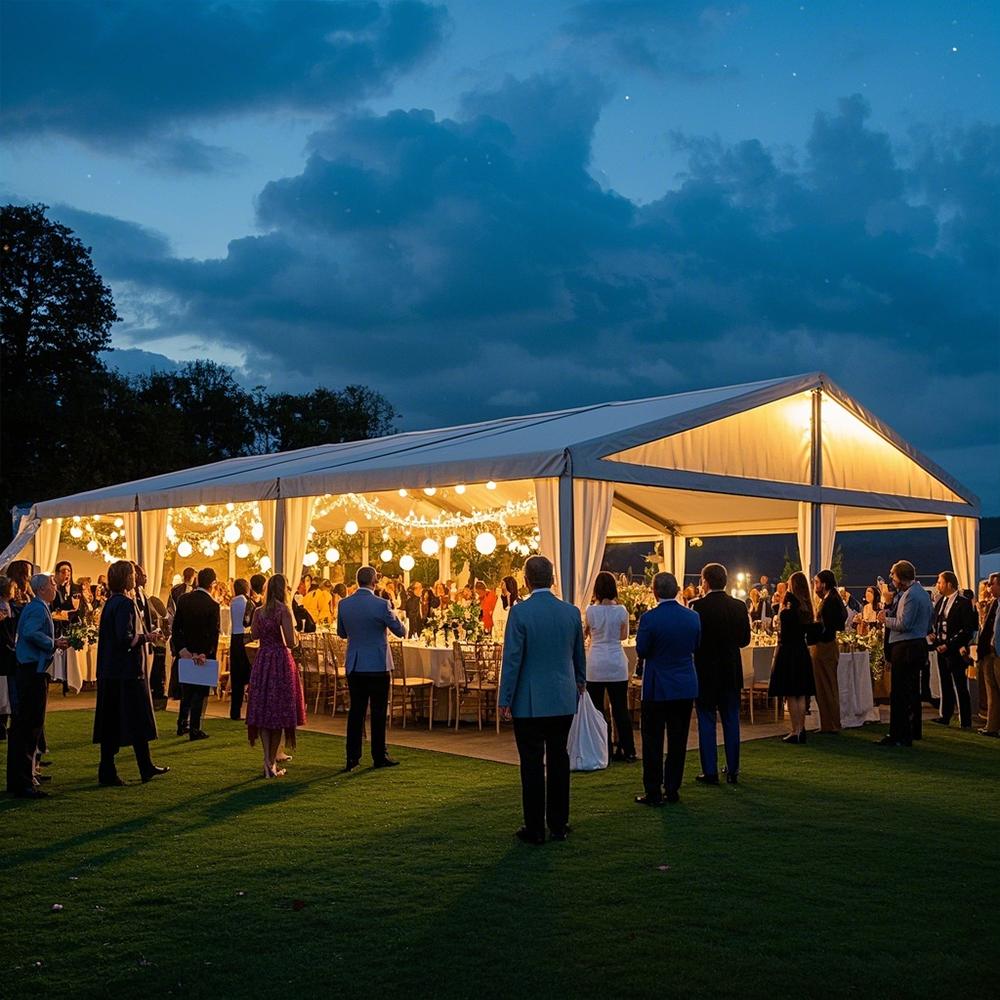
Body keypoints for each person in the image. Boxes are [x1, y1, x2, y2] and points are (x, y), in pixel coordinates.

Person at [498, 555, 586, 844]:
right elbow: (579, 653)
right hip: (562, 696)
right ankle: (559, 824)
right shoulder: (570, 612)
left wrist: (505, 697)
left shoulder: (520, 613)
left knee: (532, 763)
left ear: (526, 581)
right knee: (559, 758)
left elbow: (512, 659)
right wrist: (580, 681)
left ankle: (535, 827)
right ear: (552, 579)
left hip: (529, 700)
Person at [93, 561, 169, 786]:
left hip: (111, 671)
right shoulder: (125, 603)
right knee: (135, 719)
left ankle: (138, 766)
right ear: (127, 578)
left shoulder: (111, 602)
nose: (136, 578)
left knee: (115, 721)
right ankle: (129, 767)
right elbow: (125, 638)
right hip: (126, 673)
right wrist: (147, 637)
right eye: (133, 574)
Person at [633, 572, 700, 806]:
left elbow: (642, 650)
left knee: (652, 740)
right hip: (684, 684)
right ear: (678, 590)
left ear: (654, 591)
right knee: (678, 739)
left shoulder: (650, 618)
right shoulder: (693, 617)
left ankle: (653, 790)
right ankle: (672, 788)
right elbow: (696, 645)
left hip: (657, 685)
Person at [337, 566, 406, 770]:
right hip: (377, 664)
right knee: (378, 712)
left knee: (356, 712)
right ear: (374, 582)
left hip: (355, 663)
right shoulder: (382, 604)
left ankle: (352, 756)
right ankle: (378, 755)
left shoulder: (344, 604)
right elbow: (401, 631)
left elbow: (341, 633)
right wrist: (393, 613)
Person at [6, 573, 67, 798]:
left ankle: (21, 778)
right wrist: (53, 642)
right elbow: (30, 633)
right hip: (31, 671)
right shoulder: (37, 608)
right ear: (41, 589)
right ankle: (23, 781)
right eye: (51, 584)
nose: (55, 587)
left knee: (26, 726)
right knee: (29, 725)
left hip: (30, 669)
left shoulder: (38, 607)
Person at [691, 563, 751, 785]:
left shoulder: (697, 606)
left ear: (705, 582)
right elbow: (744, 640)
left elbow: (693, 641)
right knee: (731, 719)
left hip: (705, 671)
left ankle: (710, 771)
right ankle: (733, 769)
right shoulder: (738, 606)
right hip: (730, 670)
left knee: (706, 721)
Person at [247, 574, 306, 777]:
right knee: (279, 711)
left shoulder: (259, 611)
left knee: (264, 711)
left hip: (263, 659)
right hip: (280, 660)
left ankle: (267, 760)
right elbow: (290, 642)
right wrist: (296, 636)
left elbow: (254, 634)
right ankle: (271, 762)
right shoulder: (284, 610)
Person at [877, 560, 933, 747]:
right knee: (910, 692)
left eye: (893, 575)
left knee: (900, 693)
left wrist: (885, 619)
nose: (891, 579)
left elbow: (904, 624)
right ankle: (909, 732)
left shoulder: (910, 595)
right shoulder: (922, 593)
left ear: (901, 577)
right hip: (916, 644)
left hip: (906, 647)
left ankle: (899, 734)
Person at [584, 572, 635, 764]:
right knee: (620, 709)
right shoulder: (621, 611)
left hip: (596, 662)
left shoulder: (590, 611)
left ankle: (602, 748)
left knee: (598, 709)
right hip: (616, 661)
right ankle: (628, 749)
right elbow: (623, 636)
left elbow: (586, 633)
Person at [171, 567, 221, 741]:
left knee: (187, 690)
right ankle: (195, 727)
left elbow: (176, 627)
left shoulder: (184, 599)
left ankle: (181, 723)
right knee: (199, 692)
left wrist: (182, 649)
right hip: (202, 654)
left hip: (186, 651)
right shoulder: (213, 605)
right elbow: (213, 633)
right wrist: (206, 653)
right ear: (212, 583)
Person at [928, 571, 977, 729]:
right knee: (945, 684)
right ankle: (945, 715)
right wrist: (934, 637)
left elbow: (967, 630)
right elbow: (936, 622)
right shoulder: (940, 602)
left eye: (940, 582)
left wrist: (949, 644)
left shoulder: (963, 603)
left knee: (960, 685)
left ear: (949, 584)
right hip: (941, 649)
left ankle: (965, 720)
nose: (938, 585)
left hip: (955, 650)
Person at [768, 591, 815, 743]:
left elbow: (783, 634)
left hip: (788, 652)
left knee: (791, 693)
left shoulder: (785, 614)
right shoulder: (805, 613)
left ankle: (795, 730)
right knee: (800, 693)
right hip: (801, 651)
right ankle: (801, 729)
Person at [808, 570, 848, 734]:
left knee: (826, 685)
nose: (815, 586)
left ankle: (830, 723)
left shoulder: (830, 601)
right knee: (826, 685)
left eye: (817, 582)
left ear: (824, 584)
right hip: (826, 645)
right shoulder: (832, 598)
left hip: (824, 646)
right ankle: (828, 722)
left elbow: (828, 625)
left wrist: (814, 634)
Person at [976, 573, 1000, 737]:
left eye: (992, 584)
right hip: (989, 653)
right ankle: (992, 726)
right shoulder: (994, 603)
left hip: (997, 653)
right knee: (992, 691)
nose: (989, 587)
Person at [228, 578, 253, 721]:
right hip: (244, 637)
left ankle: (235, 711)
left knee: (236, 675)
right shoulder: (247, 602)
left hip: (234, 638)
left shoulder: (233, 602)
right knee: (247, 673)